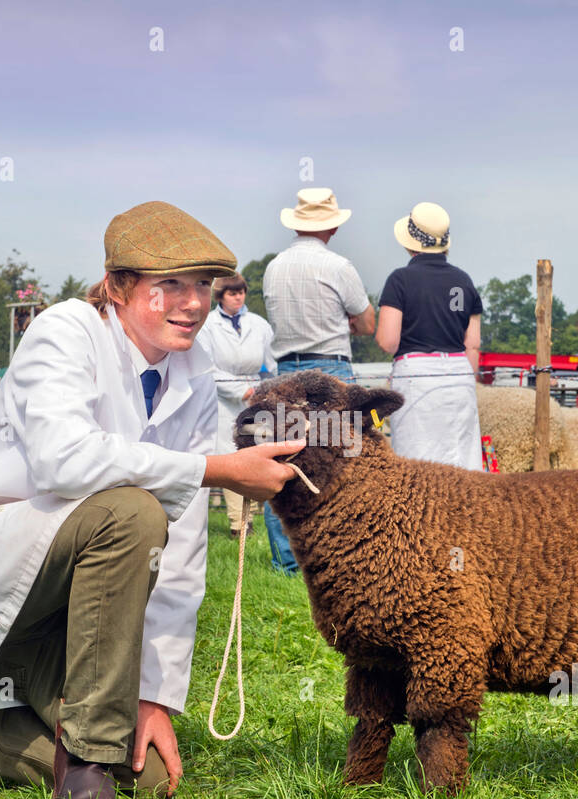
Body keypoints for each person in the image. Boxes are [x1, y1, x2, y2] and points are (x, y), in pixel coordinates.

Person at [0, 201, 303, 799]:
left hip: (78, 615)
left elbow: (180, 546)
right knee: (131, 510)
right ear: (119, 286)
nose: (193, 303)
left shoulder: (193, 369)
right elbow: (62, 462)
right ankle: (85, 762)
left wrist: (155, 697)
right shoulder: (64, 329)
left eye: (203, 286)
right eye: (171, 286)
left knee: (152, 779)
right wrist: (213, 469)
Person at [260, 187, 376, 573]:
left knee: (280, 463)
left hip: (285, 375)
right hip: (331, 371)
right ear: (332, 227)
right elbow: (368, 322)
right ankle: (341, 553)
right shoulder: (340, 267)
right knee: (343, 465)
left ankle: (288, 562)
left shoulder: (274, 267)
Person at [375, 202, 483, 469]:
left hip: (417, 373)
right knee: (462, 463)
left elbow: (388, 342)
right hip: (460, 373)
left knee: (418, 466)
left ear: (410, 243)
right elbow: (473, 345)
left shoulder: (399, 280)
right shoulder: (464, 280)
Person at [195, 273, 275, 536]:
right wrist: (243, 391)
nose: (238, 297)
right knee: (231, 457)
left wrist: (263, 391)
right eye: (232, 292)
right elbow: (208, 368)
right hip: (223, 400)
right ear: (220, 296)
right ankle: (238, 524)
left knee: (256, 453)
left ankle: (251, 516)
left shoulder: (259, 325)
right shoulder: (207, 326)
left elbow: (270, 365)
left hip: (257, 399)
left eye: (241, 291)